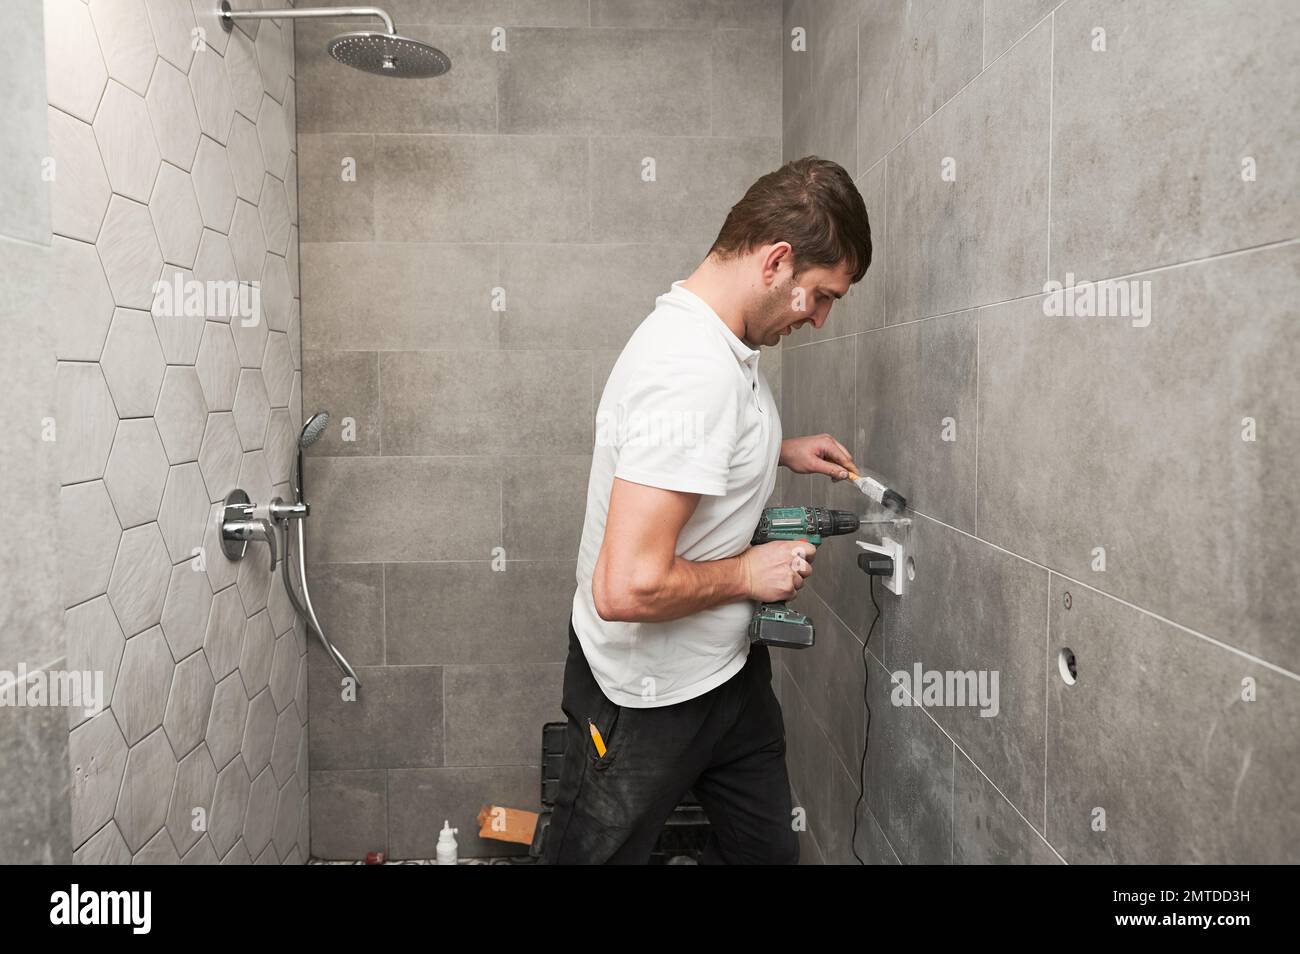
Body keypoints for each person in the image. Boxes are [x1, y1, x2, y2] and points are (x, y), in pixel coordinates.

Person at [542, 156, 873, 864]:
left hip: (726, 677)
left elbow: (685, 450)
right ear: (777, 261)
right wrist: (749, 576)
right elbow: (624, 587)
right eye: (820, 296)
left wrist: (772, 448)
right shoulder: (690, 370)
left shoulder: (719, 343)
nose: (816, 319)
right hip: (646, 701)